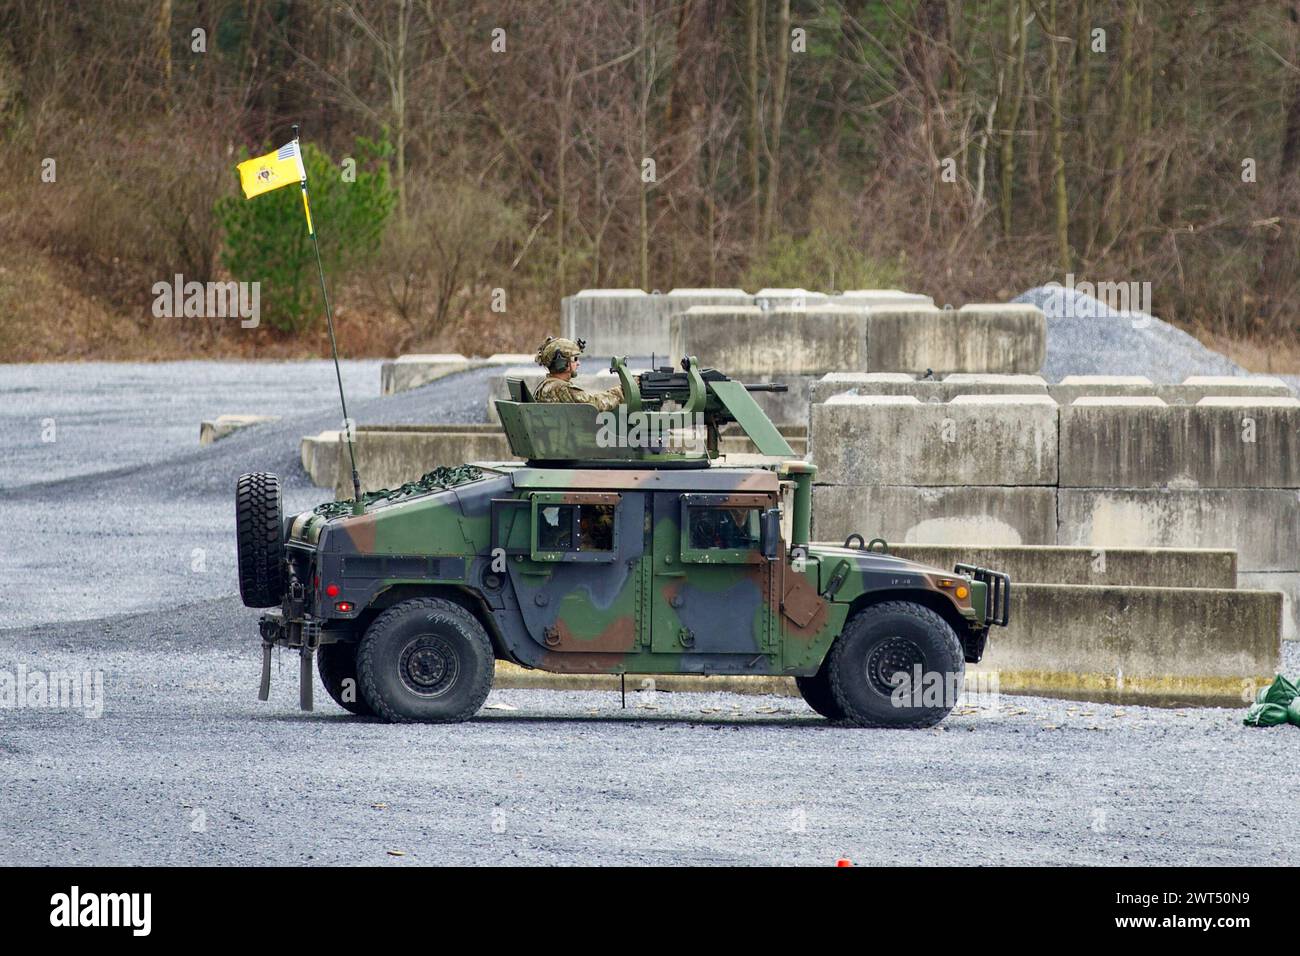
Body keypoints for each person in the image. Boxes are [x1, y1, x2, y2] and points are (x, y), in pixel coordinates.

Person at [532, 336, 624, 411]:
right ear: (561, 362)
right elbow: (595, 404)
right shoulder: (562, 388)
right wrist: (621, 391)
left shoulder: (545, 386)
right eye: (575, 359)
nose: (578, 363)